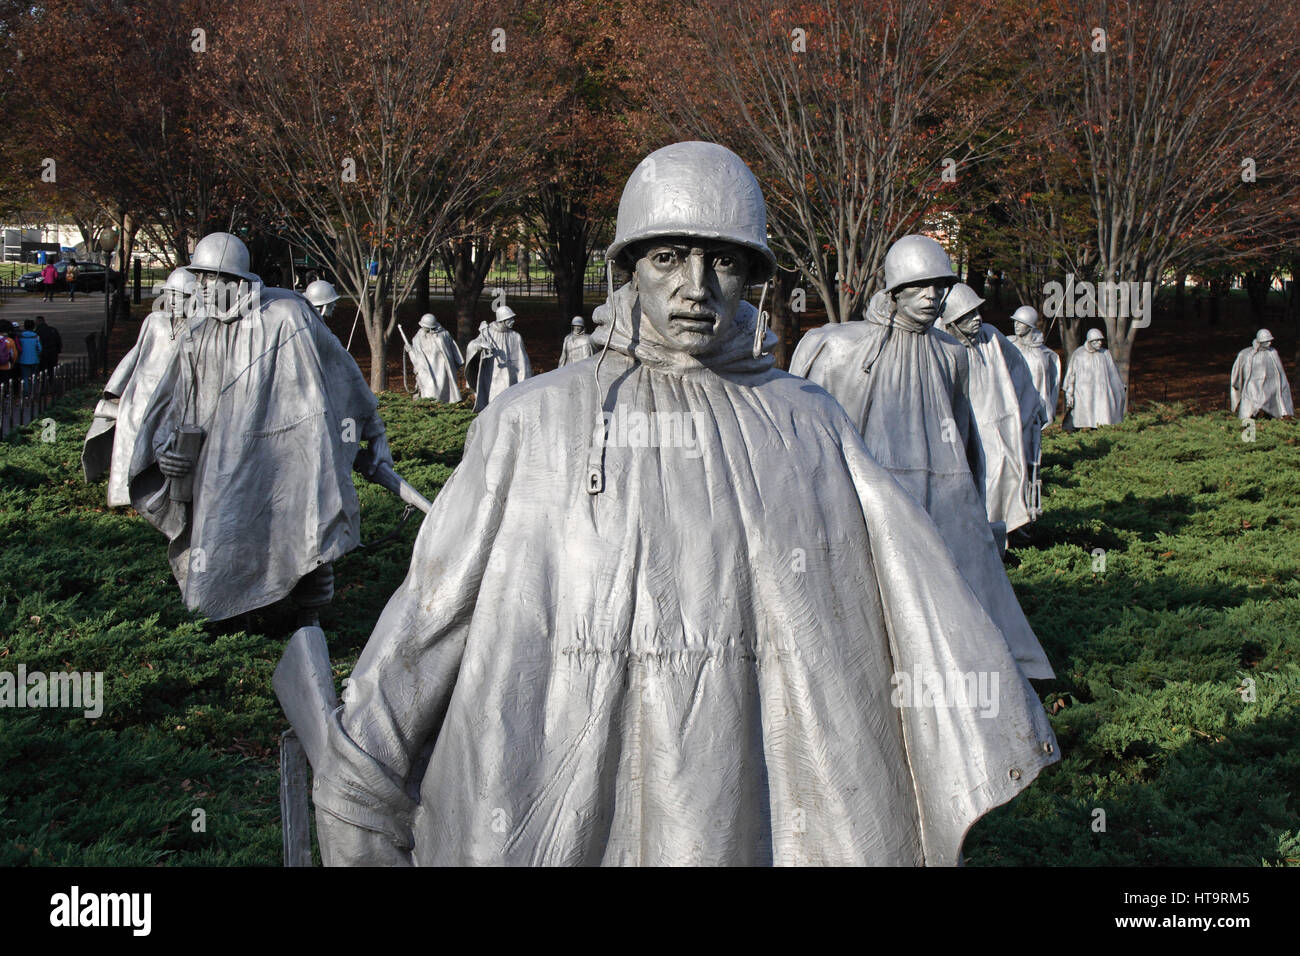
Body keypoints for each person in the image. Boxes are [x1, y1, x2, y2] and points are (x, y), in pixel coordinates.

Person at [302, 141, 1058, 867]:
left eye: (722, 259)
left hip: (742, 800)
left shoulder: (808, 423)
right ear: (630, 268)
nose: (696, 285)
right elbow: (434, 613)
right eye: (668, 257)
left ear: (751, 274)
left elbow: (909, 612)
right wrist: (359, 779)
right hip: (566, 796)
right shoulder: (533, 422)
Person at [790, 235, 1052, 680]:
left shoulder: (952, 353)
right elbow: (805, 429)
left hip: (943, 490)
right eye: (920, 286)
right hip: (875, 486)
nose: (932, 297)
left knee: (954, 587)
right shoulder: (843, 346)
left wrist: (973, 494)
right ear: (895, 290)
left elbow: (964, 429)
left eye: (939, 287)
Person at [127, 232, 397, 624]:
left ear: (237, 281)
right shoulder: (198, 332)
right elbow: (173, 402)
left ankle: (310, 620)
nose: (204, 288)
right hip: (219, 466)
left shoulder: (287, 316)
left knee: (305, 528)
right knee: (225, 535)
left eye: (213, 278)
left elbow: (341, 371)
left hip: (291, 455)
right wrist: (167, 448)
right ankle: (234, 617)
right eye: (199, 278)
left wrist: (373, 431)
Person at [938, 284, 1047, 538]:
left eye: (977, 312)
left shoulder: (992, 337)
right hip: (960, 426)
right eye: (968, 316)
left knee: (1002, 471)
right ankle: (973, 534)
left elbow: (1018, 368)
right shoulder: (940, 344)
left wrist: (1030, 407)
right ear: (953, 321)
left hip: (998, 422)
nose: (977, 319)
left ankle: (1002, 530)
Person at [83, 268, 197, 506]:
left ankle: (158, 495)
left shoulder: (200, 329)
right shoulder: (154, 322)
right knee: (130, 424)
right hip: (141, 392)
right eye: (171, 295)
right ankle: (124, 493)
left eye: (182, 296)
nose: (175, 301)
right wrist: (115, 389)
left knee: (164, 438)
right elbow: (135, 354)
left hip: (174, 396)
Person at [463, 304, 531, 412]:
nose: (513, 321)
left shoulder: (516, 336)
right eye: (510, 319)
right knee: (493, 403)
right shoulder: (487, 333)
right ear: (502, 321)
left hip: (510, 377)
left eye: (512, 318)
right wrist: (480, 346)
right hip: (492, 375)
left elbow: (523, 362)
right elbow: (473, 345)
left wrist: (525, 383)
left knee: (508, 404)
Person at [1062, 328, 1125, 430]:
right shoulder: (1079, 354)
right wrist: (1069, 393)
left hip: (1101, 394)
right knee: (1082, 418)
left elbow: (1113, 374)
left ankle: (1098, 437)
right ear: (1090, 341)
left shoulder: (1105, 354)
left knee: (1101, 418)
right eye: (1096, 341)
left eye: (1101, 340)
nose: (1100, 343)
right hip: (1084, 394)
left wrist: (1119, 387)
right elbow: (1071, 376)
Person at [1009, 306, 1061, 424]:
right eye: (1015, 321)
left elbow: (1041, 388)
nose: (1016, 325)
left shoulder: (1039, 357)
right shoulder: (1008, 344)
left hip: (1030, 413)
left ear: (1030, 326)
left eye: (1021, 323)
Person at [1229, 329, 1293, 421]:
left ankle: (1270, 422)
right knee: (1251, 409)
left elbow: (1279, 373)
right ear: (1260, 341)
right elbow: (1240, 372)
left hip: (1271, 388)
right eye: (1266, 341)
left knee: (1271, 410)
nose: (1269, 343)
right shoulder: (1247, 354)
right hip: (1253, 387)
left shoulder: (1272, 353)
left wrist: (1282, 388)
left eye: (1270, 341)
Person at [405, 313, 463, 402]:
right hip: (425, 369)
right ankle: (429, 407)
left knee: (440, 392)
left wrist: (456, 363)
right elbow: (417, 354)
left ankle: (440, 406)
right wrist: (410, 350)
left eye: (425, 327)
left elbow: (452, 350)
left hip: (441, 369)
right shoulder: (418, 336)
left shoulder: (443, 335)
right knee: (428, 390)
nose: (423, 328)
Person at [16, 319, 42, 390]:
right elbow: (39, 348)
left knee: (25, 377)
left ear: (24, 326)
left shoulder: (20, 336)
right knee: (34, 376)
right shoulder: (36, 336)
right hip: (34, 359)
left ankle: (26, 392)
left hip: (23, 359)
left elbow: (18, 347)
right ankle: (35, 390)